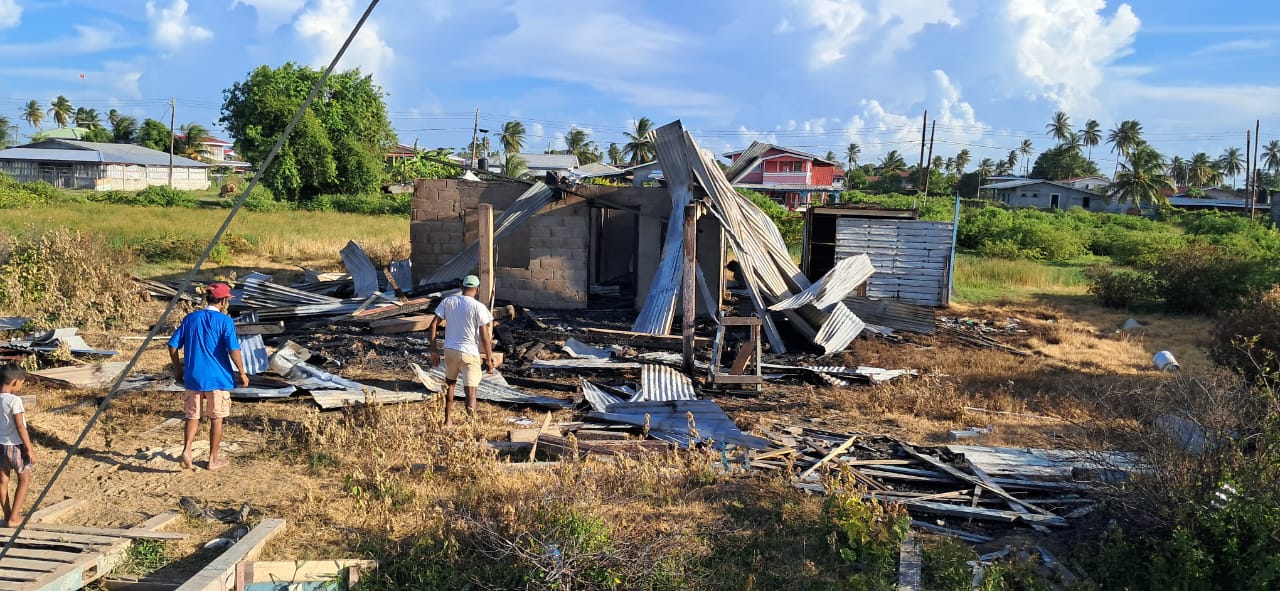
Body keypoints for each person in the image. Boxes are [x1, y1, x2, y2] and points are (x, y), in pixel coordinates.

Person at [168, 282, 248, 470]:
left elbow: (172, 346)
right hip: (218, 378)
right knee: (216, 418)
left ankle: (187, 450)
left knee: (192, 416)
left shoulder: (191, 318)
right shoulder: (225, 321)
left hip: (193, 376)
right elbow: (233, 349)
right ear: (224, 300)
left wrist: (178, 369)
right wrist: (242, 372)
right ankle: (212, 459)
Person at [428, 275, 497, 426]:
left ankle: (447, 420)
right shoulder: (478, 307)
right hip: (469, 353)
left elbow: (433, 325)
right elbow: (485, 337)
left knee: (450, 385)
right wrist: (489, 360)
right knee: (471, 392)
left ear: (462, 287)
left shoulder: (448, 301)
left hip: (450, 350)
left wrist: (434, 351)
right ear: (477, 290)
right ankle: (470, 426)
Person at [0, 363, 34, 527]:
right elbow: (20, 426)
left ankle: (7, 515)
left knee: (2, 481)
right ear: (15, 382)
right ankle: (14, 518)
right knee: (24, 480)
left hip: (0, 446)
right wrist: (29, 448)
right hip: (16, 446)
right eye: (22, 382)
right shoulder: (14, 400)